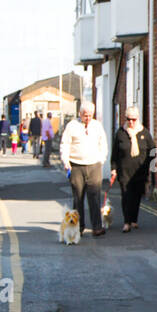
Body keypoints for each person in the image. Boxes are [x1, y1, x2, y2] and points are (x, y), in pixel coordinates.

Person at [60, 101, 109, 236]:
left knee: (94, 197)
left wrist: (101, 159)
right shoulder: (72, 126)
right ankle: (78, 227)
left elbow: (103, 144)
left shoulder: (97, 126)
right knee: (78, 198)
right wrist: (66, 161)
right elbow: (65, 144)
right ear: (79, 113)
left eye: (90, 115)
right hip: (76, 165)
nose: (87, 118)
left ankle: (97, 227)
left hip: (94, 165)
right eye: (85, 115)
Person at [109, 105, 156, 232]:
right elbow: (115, 153)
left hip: (140, 171)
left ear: (138, 119)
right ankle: (126, 222)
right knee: (126, 196)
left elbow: (153, 150)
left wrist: (152, 166)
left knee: (136, 196)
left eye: (133, 119)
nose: (131, 122)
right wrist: (113, 168)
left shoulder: (144, 133)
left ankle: (134, 220)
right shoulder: (120, 133)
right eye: (129, 119)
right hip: (124, 170)